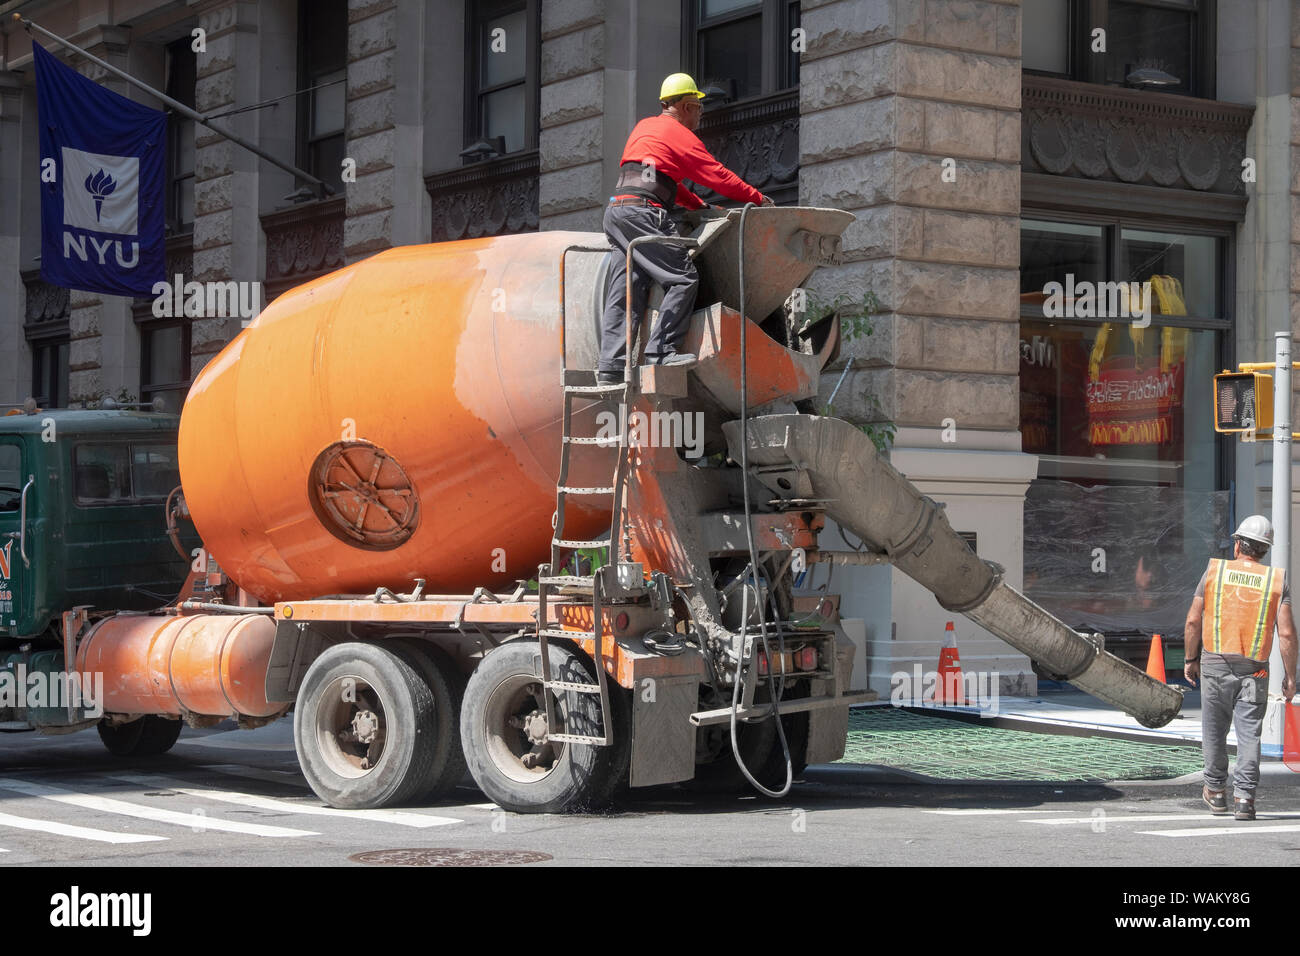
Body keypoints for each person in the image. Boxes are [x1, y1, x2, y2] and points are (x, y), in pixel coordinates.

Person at [596, 73, 773, 385]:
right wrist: (757, 198)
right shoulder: (679, 135)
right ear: (688, 106)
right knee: (682, 277)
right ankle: (661, 351)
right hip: (644, 214)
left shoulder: (645, 127)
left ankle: (610, 367)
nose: (701, 116)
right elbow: (718, 176)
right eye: (699, 109)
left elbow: (661, 181)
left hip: (618, 214)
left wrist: (699, 207)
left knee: (627, 291)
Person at [1183, 515, 1298, 820]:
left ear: (1237, 545)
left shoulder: (1214, 571)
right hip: (1255, 669)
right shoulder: (1276, 579)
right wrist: (1290, 677)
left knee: (1214, 731)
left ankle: (1216, 793)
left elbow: (1193, 619)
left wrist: (1189, 659)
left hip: (1215, 664)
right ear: (1264, 549)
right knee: (1249, 735)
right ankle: (1245, 800)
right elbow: (1286, 633)